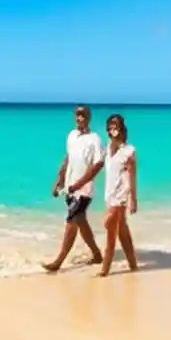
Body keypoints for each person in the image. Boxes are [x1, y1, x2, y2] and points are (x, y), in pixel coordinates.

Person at [42, 105, 104, 272]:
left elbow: (99, 164)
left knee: (72, 220)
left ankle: (58, 262)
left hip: (83, 190)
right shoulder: (71, 136)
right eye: (77, 115)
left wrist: (81, 183)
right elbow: (68, 158)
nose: (79, 118)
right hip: (70, 188)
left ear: (89, 117)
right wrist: (60, 180)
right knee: (80, 222)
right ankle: (97, 255)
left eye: (82, 115)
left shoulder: (95, 139)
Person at [76, 114, 137, 278]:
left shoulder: (129, 151)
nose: (112, 130)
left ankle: (105, 269)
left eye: (115, 126)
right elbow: (96, 168)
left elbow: (132, 177)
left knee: (110, 226)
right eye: (109, 127)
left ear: (122, 129)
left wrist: (133, 200)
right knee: (122, 231)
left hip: (120, 197)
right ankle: (133, 265)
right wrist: (78, 183)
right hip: (109, 196)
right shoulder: (108, 150)